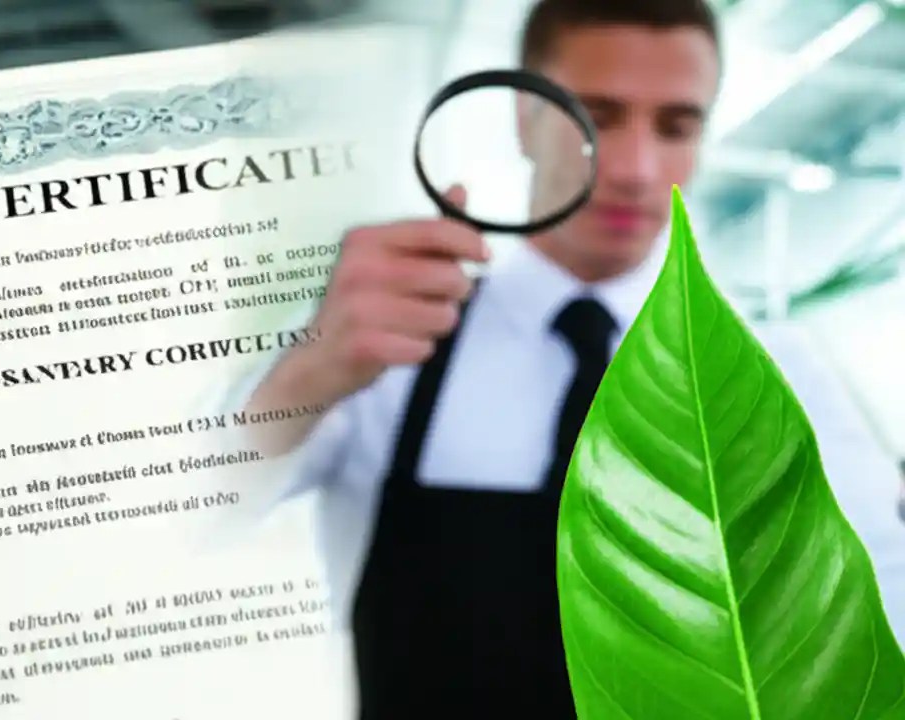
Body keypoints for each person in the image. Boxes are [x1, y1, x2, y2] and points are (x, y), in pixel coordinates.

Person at [232, 0, 905, 717]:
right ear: (525, 118)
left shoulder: (781, 368)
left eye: (676, 126)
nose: (638, 169)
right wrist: (308, 371)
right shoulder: (384, 347)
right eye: (599, 117)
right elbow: (189, 518)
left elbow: (881, 598)